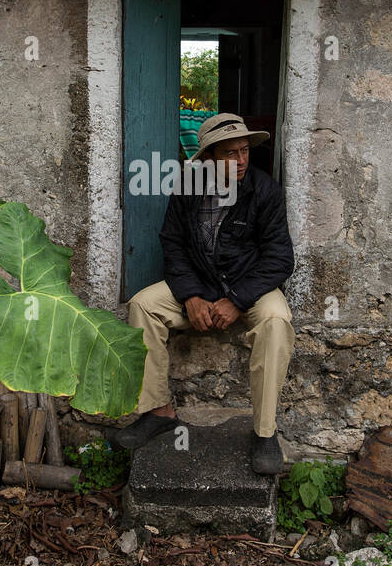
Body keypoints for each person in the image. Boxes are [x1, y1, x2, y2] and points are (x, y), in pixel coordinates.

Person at [110, 113, 295, 474]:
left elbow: (279, 259)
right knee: (143, 305)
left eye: (244, 151)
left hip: (250, 287)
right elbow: (173, 244)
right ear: (208, 159)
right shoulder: (187, 187)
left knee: (276, 320)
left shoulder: (265, 191)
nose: (241, 161)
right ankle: (159, 411)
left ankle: (264, 432)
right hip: (199, 283)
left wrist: (238, 299)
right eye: (229, 154)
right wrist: (191, 296)